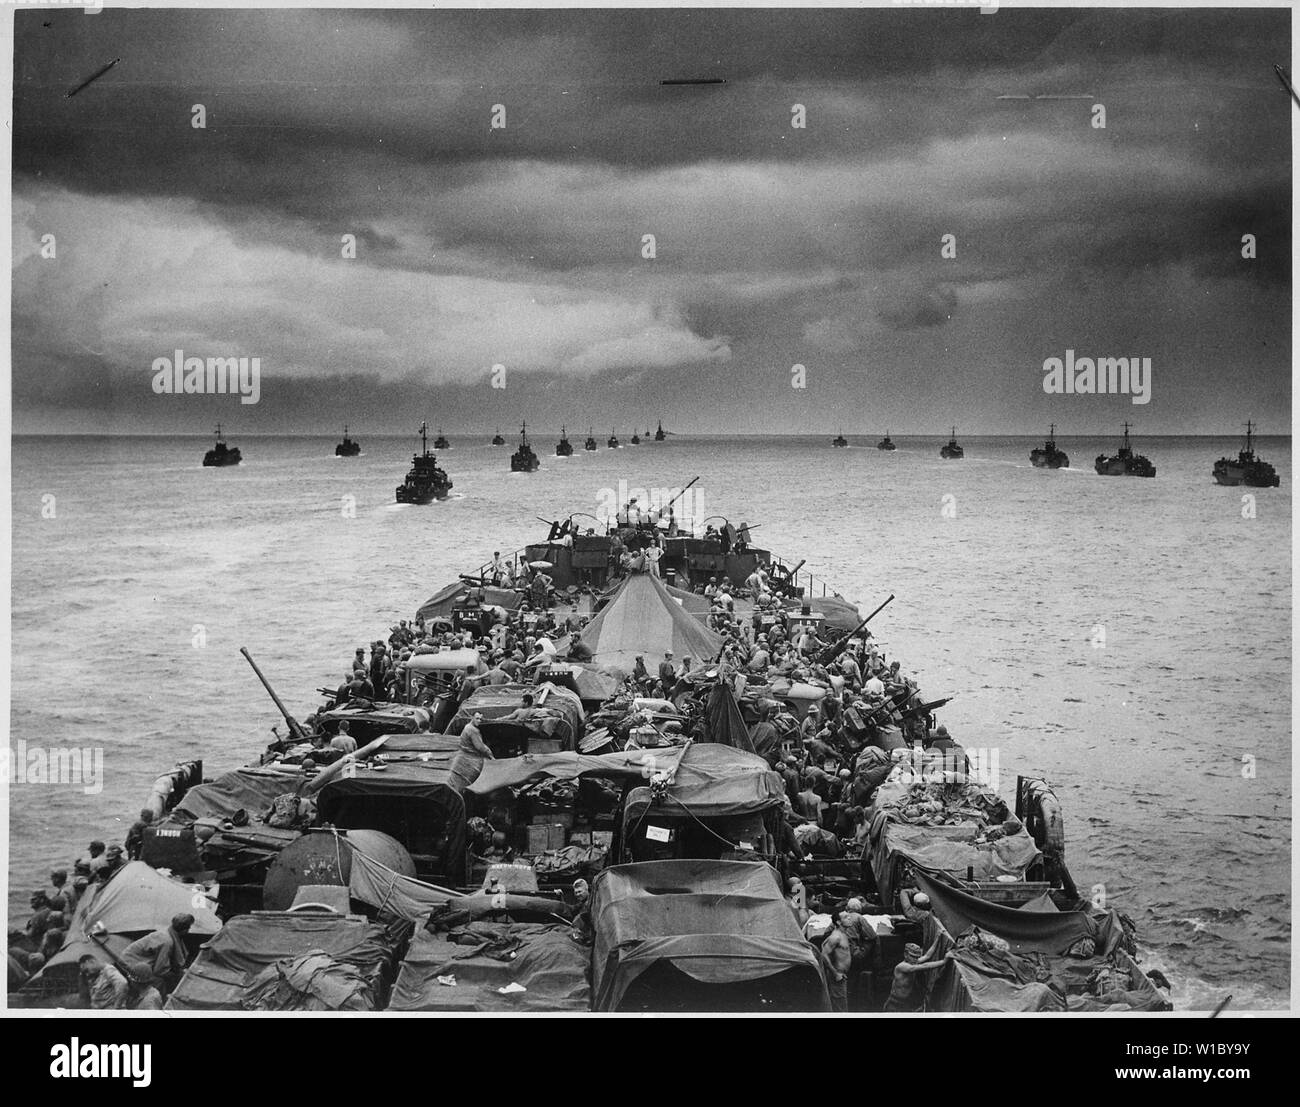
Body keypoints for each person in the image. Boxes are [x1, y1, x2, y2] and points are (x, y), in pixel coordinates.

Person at [120, 913, 193, 997]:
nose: (189, 930)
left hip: (134, 957)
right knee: (159, 981)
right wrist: (177, 974)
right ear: (183, 930)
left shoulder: (168, 932)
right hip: (130, 961)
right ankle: (157, 1002)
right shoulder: (167, 941)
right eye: (188, 928)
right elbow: (159, 970)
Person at [448, 713, 494, 791]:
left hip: (464, 755)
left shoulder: (467, 727)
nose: (479, 721)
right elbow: (480, 747)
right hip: (472, 756)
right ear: (472, 718)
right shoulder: (473, 730)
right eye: (477, 718)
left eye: (480, 719)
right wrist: (490, 754)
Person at [820, 915, 853, 1012]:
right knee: (840, 1008)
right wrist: (835, 973)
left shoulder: (843, 934)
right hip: (838, 976)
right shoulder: (836, 937)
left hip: (842, 975)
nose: (850, 918)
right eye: (846, 917)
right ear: (838, 922)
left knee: (841, 1005)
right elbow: (824, 955)